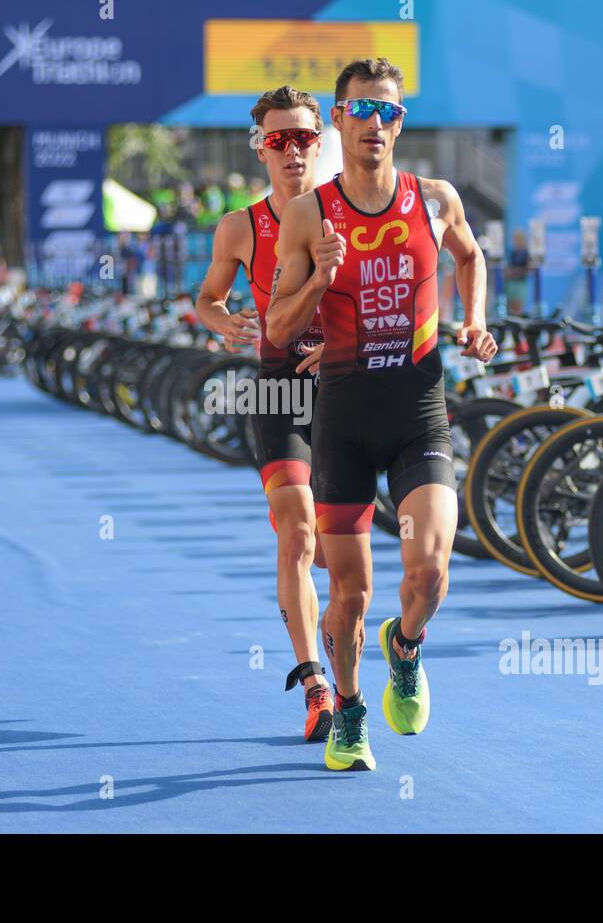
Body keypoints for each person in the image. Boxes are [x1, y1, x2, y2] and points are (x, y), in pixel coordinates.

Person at [267, 58, 497, 771]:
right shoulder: (309, 215)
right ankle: (351, 710)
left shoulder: (435, 198)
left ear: (401, 123)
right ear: (338, 119)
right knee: (350, 592)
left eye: (387, 112)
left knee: (428, 574)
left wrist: (475, 320)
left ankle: (407, 648)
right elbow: (277, 326)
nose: (374, 124)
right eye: (360, 110)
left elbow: (471, 256)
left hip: (419, 411)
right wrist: (324, 279)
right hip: (343, 423)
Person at [194, 85, 333, 742]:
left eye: (304, 138)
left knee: (336, 554)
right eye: (279, 140)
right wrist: (223, 320)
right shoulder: (240, 227)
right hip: (277, 388)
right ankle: (315, 687)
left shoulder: (345, 214)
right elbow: (208, 297)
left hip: (344, 389)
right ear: (261, 149)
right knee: (296, 532)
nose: (293, 151)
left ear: (320, 142)